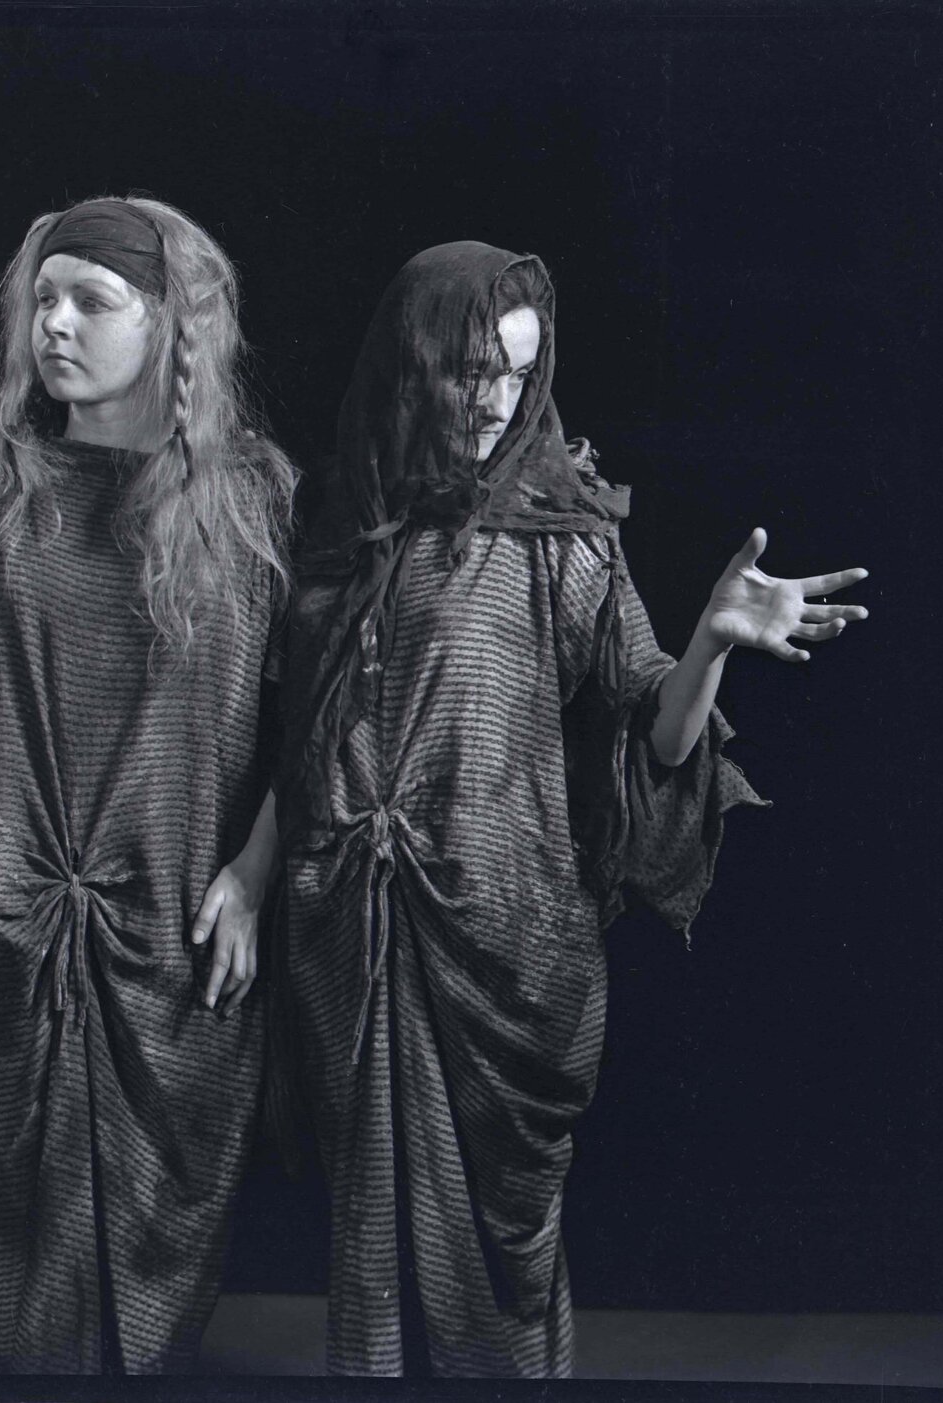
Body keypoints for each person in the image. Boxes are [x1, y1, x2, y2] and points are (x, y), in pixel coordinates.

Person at [277, 243, 869, 1378]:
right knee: (371, 1243)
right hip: (354, 944)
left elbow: (655, 731)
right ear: (409, 362)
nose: (493, 401)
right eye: (466, 370)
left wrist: (710, 640)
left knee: (507, 1250)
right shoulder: (332, 522)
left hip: (504, 951)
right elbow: (291, 734)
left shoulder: (563, 534)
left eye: (517, 372)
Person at [0, 196, 296, 1373]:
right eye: (42, 299)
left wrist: (251, 873)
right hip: (5, 922)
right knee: (8, 1256)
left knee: (156, 1256)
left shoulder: (251, 502)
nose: (54, 324)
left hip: (176, 931)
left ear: (171, 321)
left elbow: (320, 716)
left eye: (91, 300)